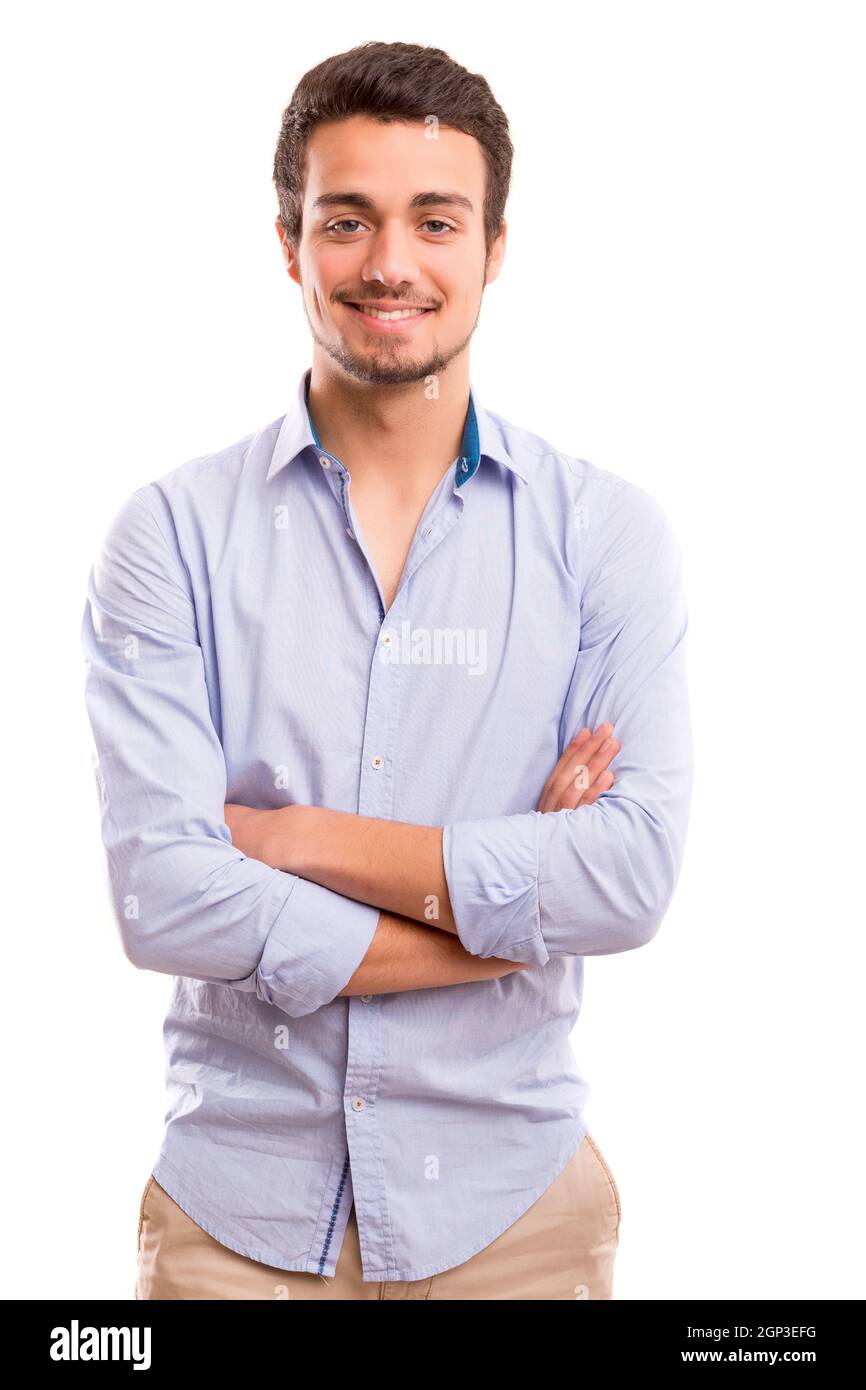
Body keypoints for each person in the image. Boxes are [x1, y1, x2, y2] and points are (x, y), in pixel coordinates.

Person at [81, 40, 693, 1301]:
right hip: (231, 1223)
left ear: (494, 247)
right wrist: (506, 902)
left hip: (516, 1222)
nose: (390, 263)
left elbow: (628, 874)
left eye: (434, 219)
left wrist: (295, 835)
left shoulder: (601, 535)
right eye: (346, 219)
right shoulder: (170, 536)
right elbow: (166, 896)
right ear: (289, 240)